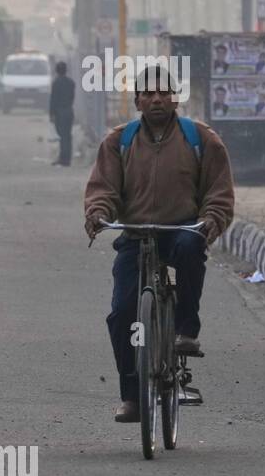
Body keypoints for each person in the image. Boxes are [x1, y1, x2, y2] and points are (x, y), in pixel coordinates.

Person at [83, 65, 235, 424]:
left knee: (188, 247)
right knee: (121, 313)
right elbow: (103, 189)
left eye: (163, 92)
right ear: (136, 100)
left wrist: (212, 219)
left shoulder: (201, 139)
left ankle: (186, 330)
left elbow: (219, 190)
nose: (156, 99)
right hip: (137, 234)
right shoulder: (118, 141)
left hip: (182, 228)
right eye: (148, 93)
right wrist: (98, 213)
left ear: (175, 98)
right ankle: (132, 395)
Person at [49, 61, 75, 167]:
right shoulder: (71, 83)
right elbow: (72, 97)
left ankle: (63, 159)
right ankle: (67, 158)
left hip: (60, 112)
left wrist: (51, 114)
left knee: (62, 136)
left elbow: (53, 99)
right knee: (67, 135)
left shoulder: (56, 83)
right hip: (69, 111)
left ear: (56, 71)